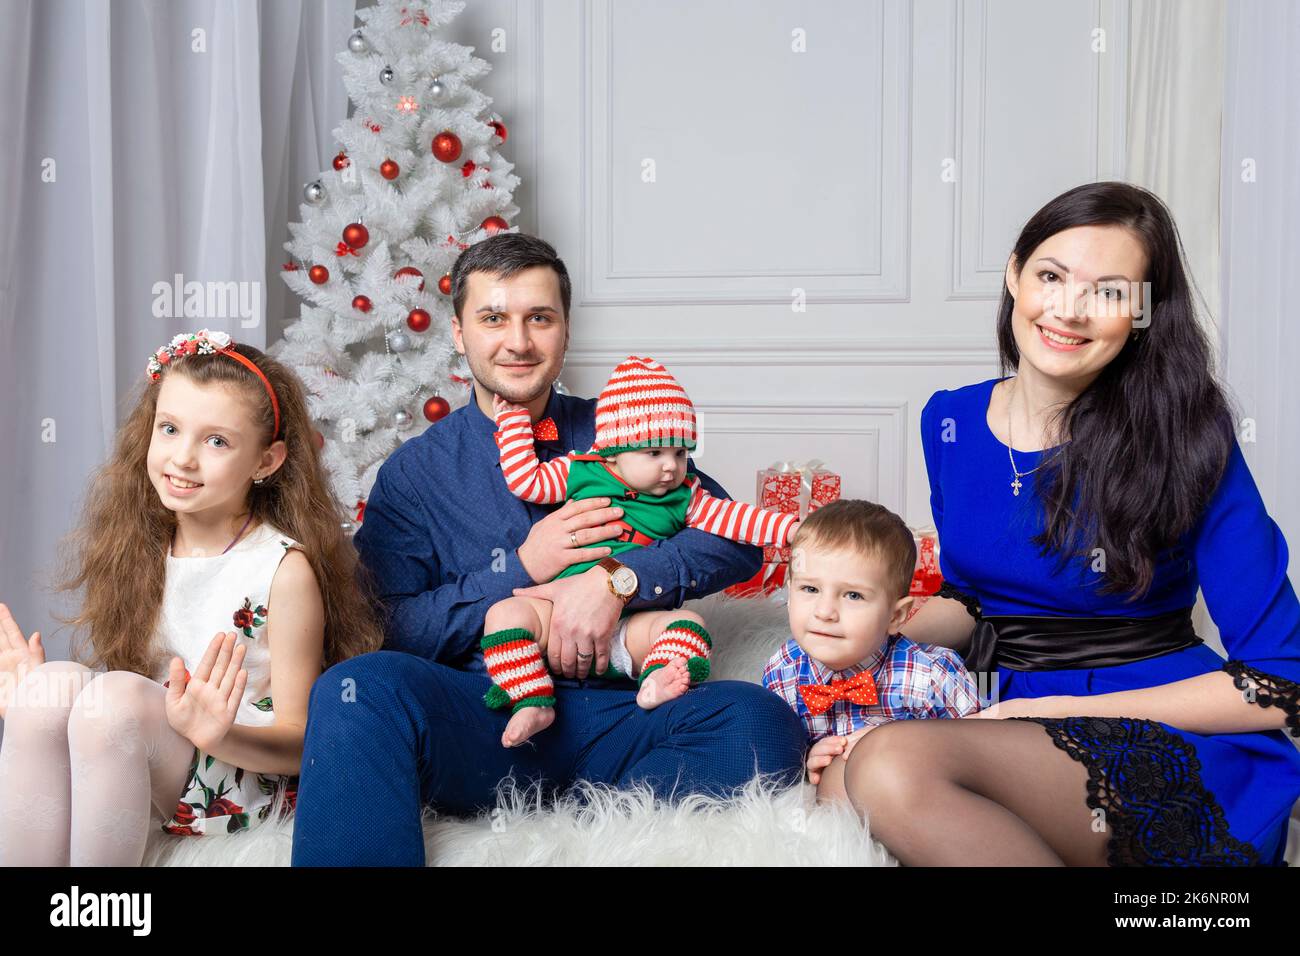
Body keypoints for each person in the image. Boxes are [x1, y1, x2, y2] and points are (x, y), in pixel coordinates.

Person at [290, 233, 807, 866]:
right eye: (493, 318)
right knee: (357, 689)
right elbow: (391, 625)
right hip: (486, 719)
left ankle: (578, 833)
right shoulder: (417, 473)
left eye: (540, 317)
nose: (519, 341)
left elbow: (733, 537)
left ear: (564, 328)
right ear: (458, 333)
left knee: (761, 720)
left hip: (623, 715)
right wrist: (523, 570)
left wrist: (616, 580)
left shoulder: (624, 426)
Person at [839, 181, 1300, 866]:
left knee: (890, 769)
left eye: (1110, 292)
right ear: (1013, 274)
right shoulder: (948, 420)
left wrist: (1041, 714)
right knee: (837, 784)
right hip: (996, 705)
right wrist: (868, 627)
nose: (1069, 310)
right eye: (1051, 276)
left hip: (1161, 724)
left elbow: (1279, 682)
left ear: (1142, 314)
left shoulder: (1188, 437)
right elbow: (973, 599)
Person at [0, 330, 382, 865]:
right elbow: (131, 695)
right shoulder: (139, 546)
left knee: (114, 700)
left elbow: (301, 741)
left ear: (265, 462)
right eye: (170, 429)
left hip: (236, 775)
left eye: (216, 441)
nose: (182, 458)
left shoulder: (281, 569)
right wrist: (39, 704)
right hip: (150, 749)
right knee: (50, 687)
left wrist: (219, 735)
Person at [483, 355, 801, 746]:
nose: (671, 467)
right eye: (654, 454)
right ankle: (531, 697)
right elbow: (526, 479)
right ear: (614, 451)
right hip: (558, 620)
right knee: (505, 613)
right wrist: (513, 424)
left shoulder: (687, 497)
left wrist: (793, 530)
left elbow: (736, 520)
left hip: (631, 625)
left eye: (680, 453)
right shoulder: (581, 471)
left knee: (688, 625)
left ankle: (655, 680)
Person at [760, 499, 980, 792]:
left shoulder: (931, 677)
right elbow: (775, 754)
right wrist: (806, 758)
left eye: (853, 596)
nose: (824, 612)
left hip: (913, 801)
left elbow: (976, 756)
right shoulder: (782, 671)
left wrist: (898, 745)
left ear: (896, 615)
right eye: (810, 589)